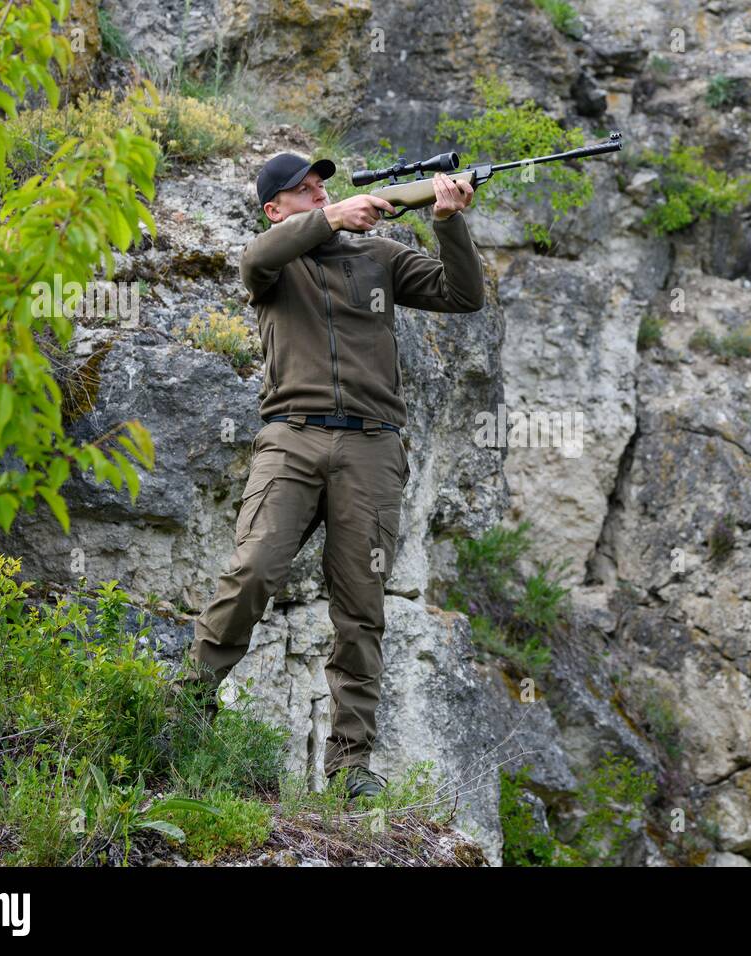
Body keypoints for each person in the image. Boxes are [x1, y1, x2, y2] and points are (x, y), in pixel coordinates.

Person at [175, 150, 483, 801]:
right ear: (275, 208)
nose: (319, 196)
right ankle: (182, 712)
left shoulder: (381, 259)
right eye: (305, 192)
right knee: (254, 568)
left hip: (372, 448)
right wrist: (332, 217)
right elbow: (255, 260)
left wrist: (449, 220)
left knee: (361, 609)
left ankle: (349, 770)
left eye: (323, 189)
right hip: (291, 437)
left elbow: (464, 296)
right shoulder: (274, 262)